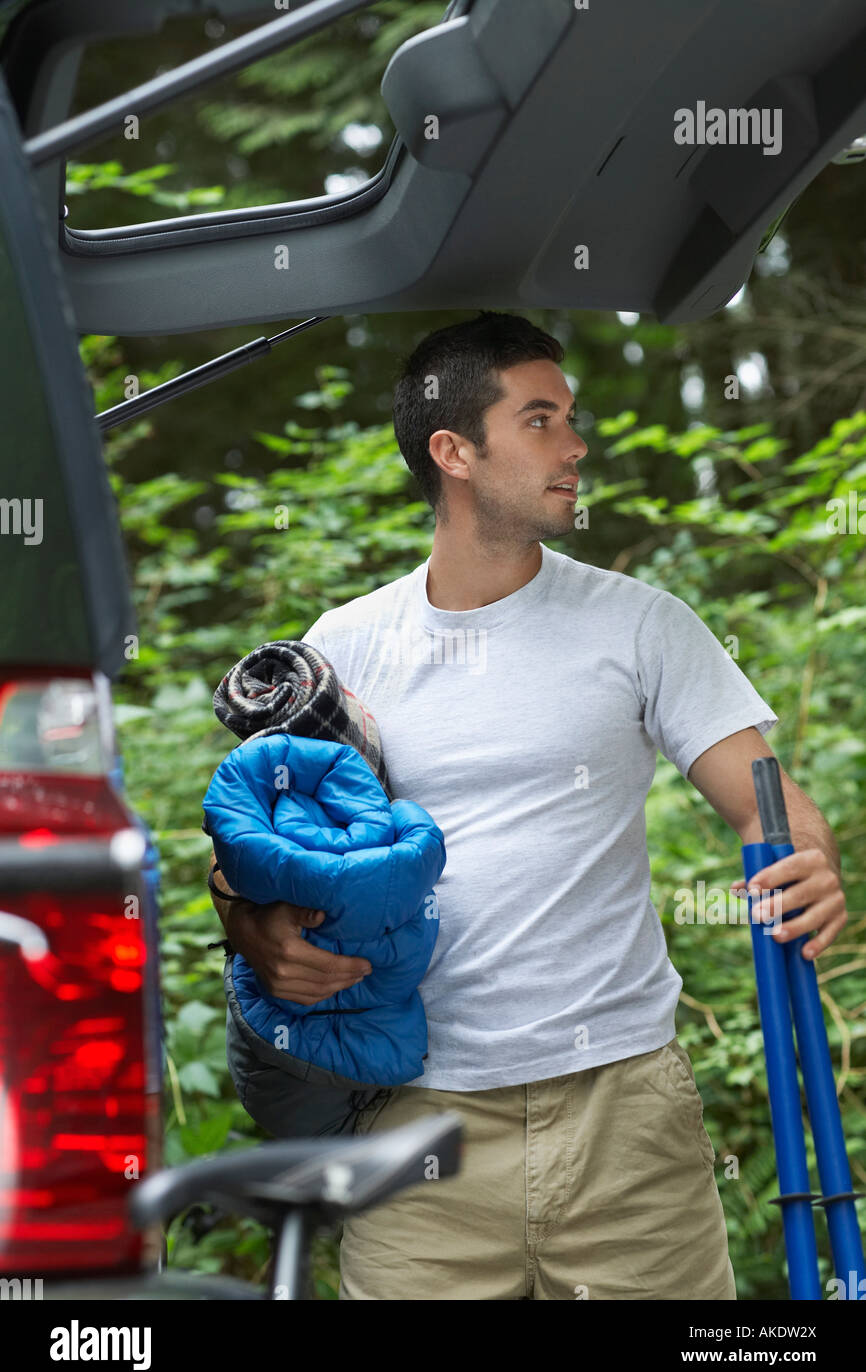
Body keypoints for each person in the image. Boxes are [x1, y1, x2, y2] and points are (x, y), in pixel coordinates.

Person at [208, 311, 847, 1300]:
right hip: (416, 1130)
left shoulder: (641, 625)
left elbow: (770, 806)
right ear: (452, 450)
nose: (575, 445)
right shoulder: (343, 647)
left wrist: (806, 857)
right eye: (540, 420)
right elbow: (255, 854)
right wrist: (254, 928)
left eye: (571, 418)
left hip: (623, 1118)